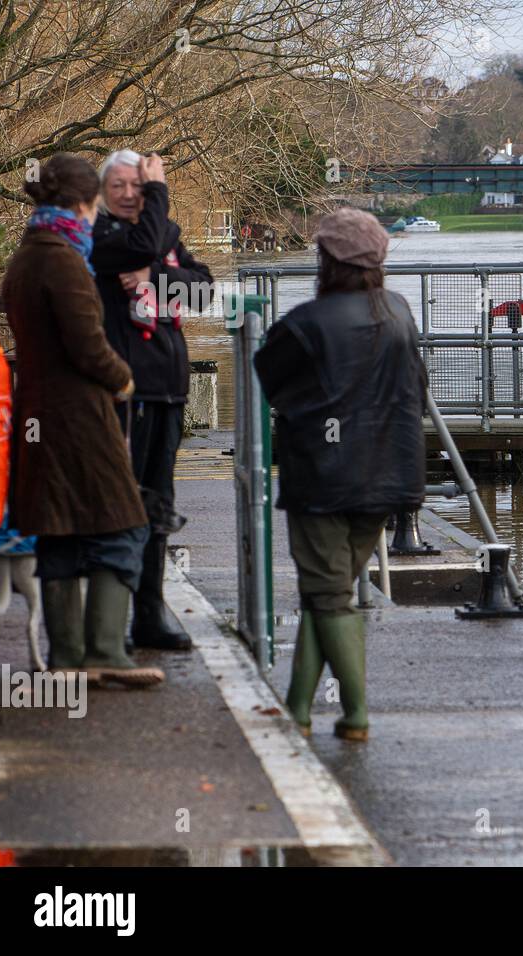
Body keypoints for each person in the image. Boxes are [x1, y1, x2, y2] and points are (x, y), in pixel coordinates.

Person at [254, 208, 427, 741]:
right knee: (325, 593)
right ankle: (298, 709)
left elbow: (269, 382)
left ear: (327, 262)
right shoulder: (399, 313)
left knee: (329, 596)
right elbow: (416, 391)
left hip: (323, 483)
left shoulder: (306, 323)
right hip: (386, 482)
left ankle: (355, 714)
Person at [0, 153, 163, 686]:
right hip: (78, 415)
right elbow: (86, 344)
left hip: (39, 413)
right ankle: (105, 653)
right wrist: (123, 378)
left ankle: (68, 659)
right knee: (124, 523)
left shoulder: (27, 254)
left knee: (59, 530)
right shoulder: (63, 258)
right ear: (82, 202)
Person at [91, 149, 213, 652]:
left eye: (137, 187)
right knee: (127, 501)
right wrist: (159, 193)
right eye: (117, 185)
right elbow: (144, 241)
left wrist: (156, 280)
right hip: (127, 391)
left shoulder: (164, 236)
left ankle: (148, 616)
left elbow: (204, 291)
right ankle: (108, 624)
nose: (128, 195)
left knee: (159, 503)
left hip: (169, 387)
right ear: (102, 192)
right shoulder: (101, 236)